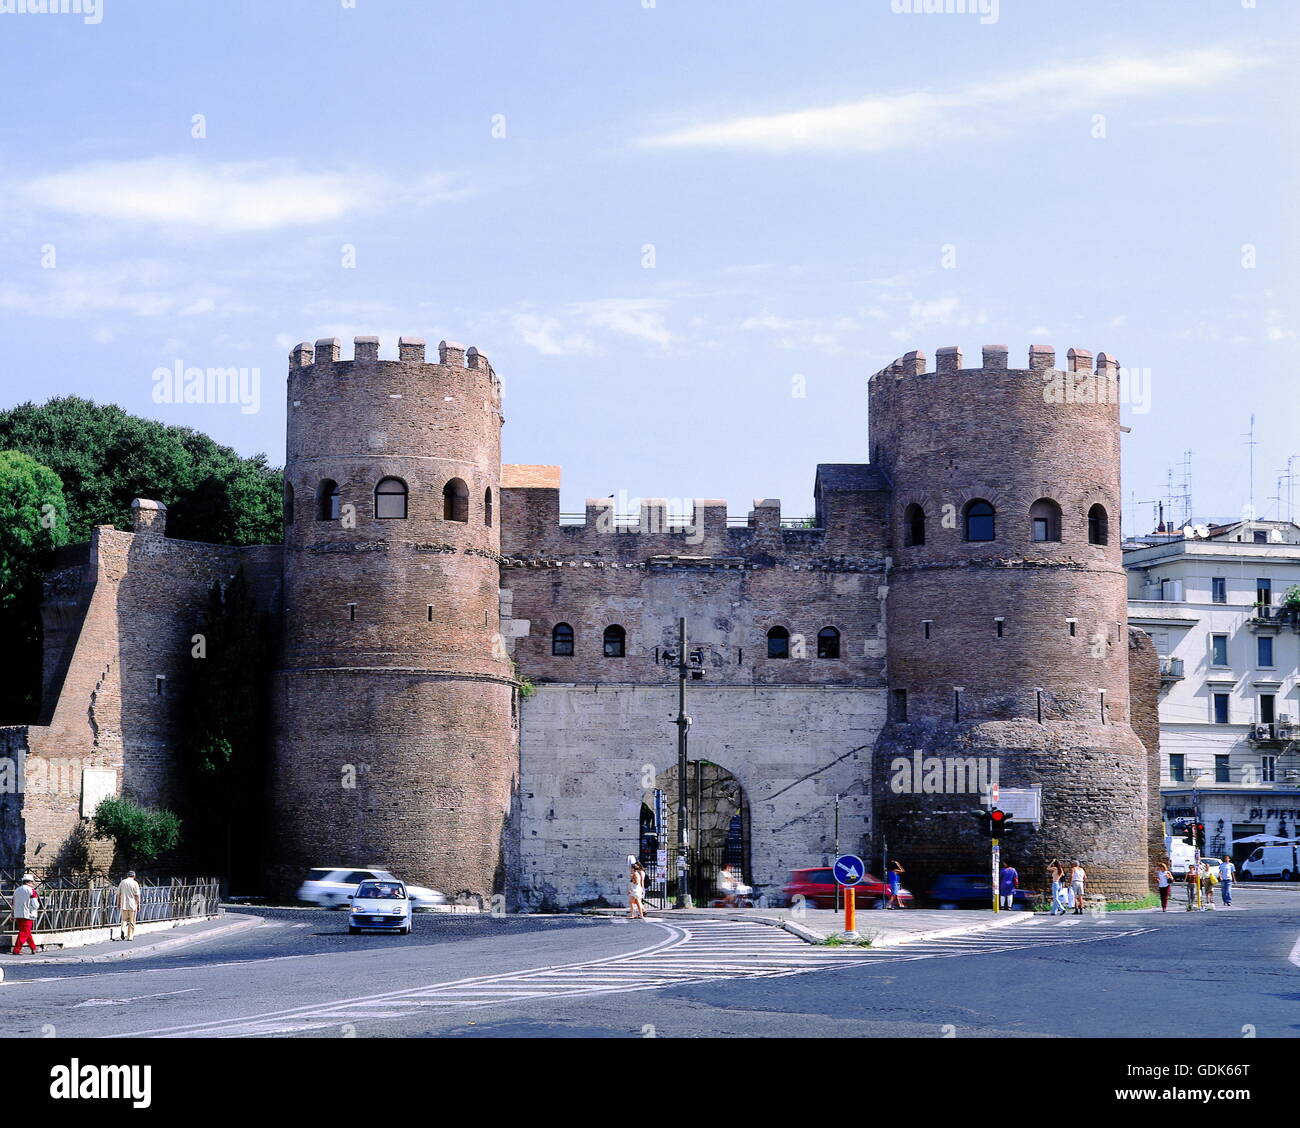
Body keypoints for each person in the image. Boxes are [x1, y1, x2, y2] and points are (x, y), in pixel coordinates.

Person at [11, 874, 39, 955]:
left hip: (18, 914)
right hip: (28, 914)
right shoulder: (31, 890)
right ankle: (16, 950)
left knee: (26, 931)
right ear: (30, 882)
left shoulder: (17, 890)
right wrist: (34, 908)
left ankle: (33, 948)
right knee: (24, 932)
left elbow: (13, 903)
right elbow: (35, 904)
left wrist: (12, 914)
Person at [116, 869, 142, 941]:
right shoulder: (135, 883)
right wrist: (138, 905)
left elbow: (118, 894)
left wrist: (118, 903)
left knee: (124, 919)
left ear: (127, 875)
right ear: (134, 876)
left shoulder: (122, 882)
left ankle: (122, 929)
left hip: (123, 904)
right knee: (132, 921)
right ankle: (130, 936)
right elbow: (137, 895)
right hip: (132, 904)